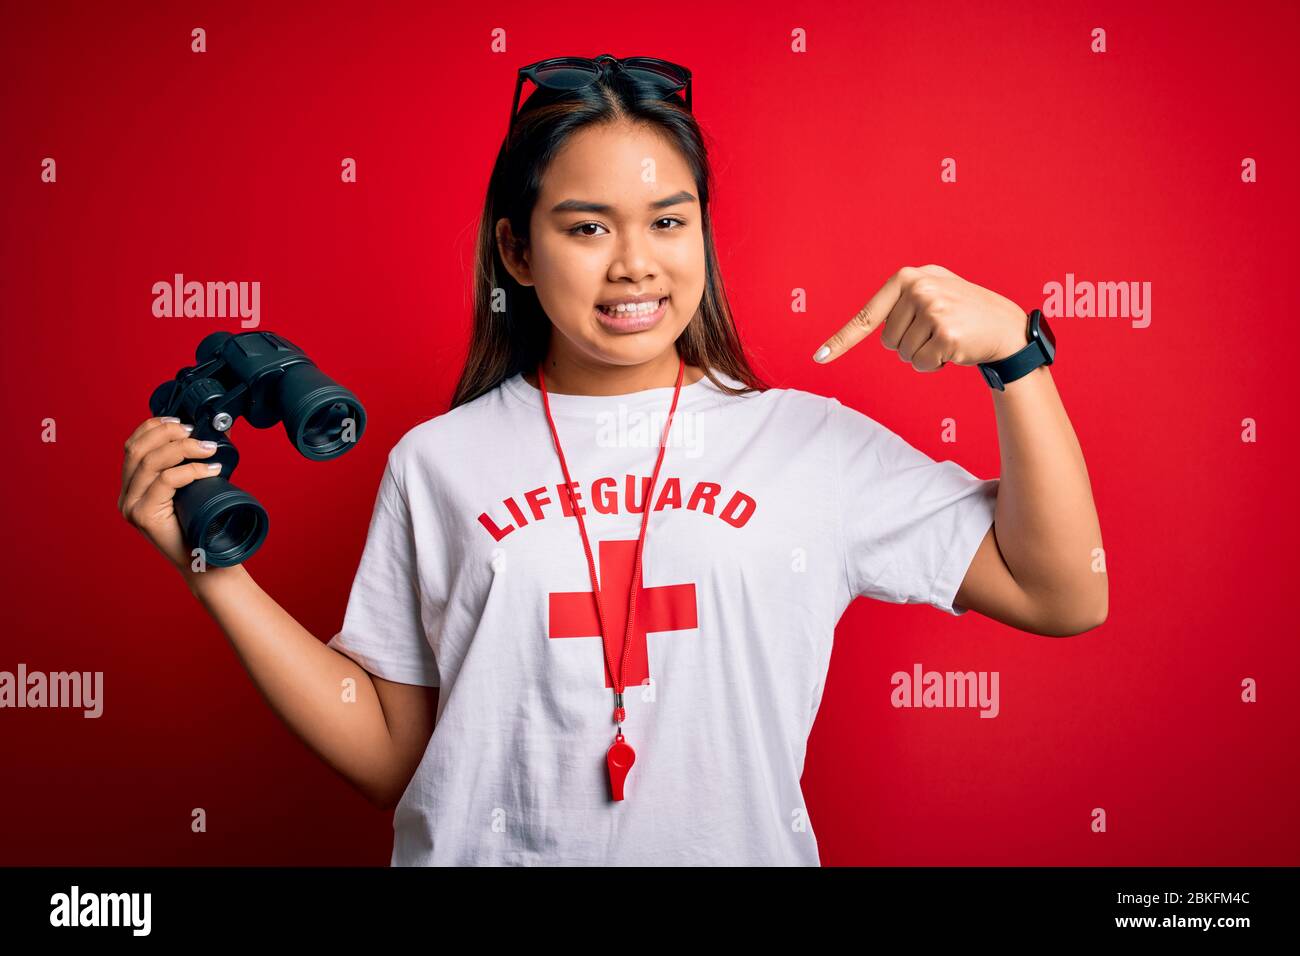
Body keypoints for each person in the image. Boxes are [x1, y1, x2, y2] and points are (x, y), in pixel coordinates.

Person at [117, 55, 1106, 866]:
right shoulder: (438, 462)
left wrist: (1015, 355)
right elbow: (392, 755)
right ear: (515, 249)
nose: (634, 261)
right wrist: (217, 571)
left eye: (668, 222)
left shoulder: (807, 444)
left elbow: (1061, 592)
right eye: (586, 227)